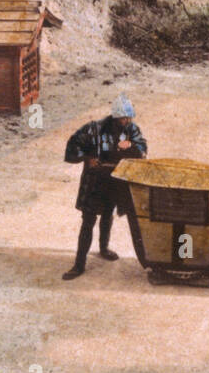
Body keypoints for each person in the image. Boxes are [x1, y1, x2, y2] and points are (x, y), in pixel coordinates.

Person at [62, 94, 147, 280]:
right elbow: (73, 145)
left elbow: (142, 148)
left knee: (108, 214)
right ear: (115, 118)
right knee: (88, 221)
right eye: (123, 119)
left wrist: (132, 144)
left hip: (114, 181)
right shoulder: (94, 129)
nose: (127, 122)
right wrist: (87, 158)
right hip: (95, 181)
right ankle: (79, 264)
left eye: (129, 118)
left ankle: (103, 247)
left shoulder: (131, 130)